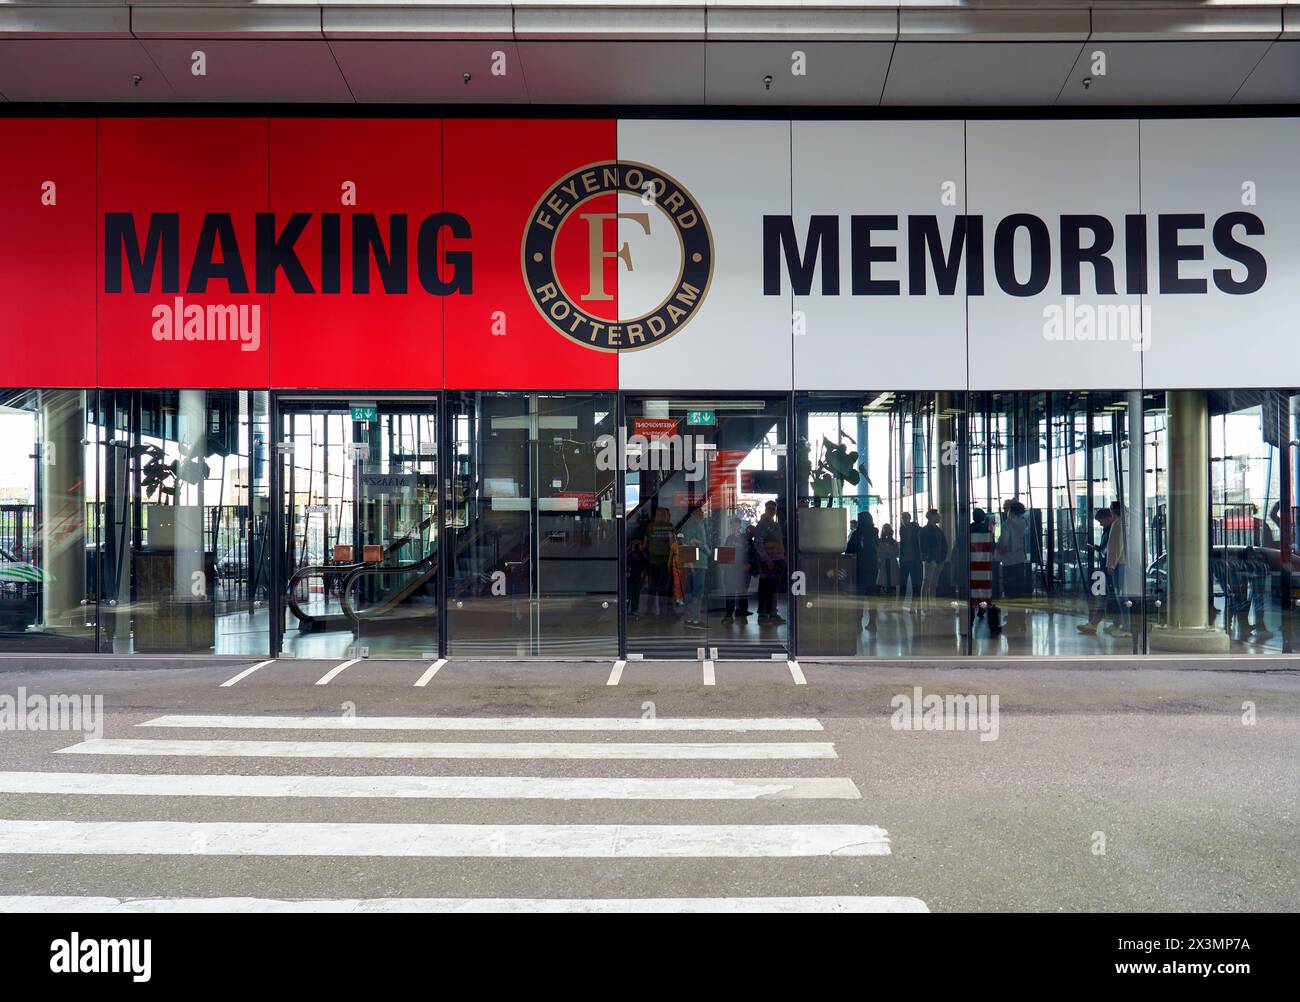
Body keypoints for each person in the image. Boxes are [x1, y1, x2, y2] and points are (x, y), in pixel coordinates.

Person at [996, 500, 1030, 633]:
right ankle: (1021, 622)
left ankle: (1011, 621)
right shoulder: (1023, 524)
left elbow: (1003, 542)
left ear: (1010, 511)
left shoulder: (1007, 524)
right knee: (1019, 593)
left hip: (1009, 562)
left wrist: (998, 548)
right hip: (1020, 560)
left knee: (1010, 593)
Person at [1077, 507, 1113, 635]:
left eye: (1101, 521)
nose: (1100, 523)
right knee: (1108, 597)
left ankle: (1094, 624)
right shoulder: (1108, 530)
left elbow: (1109, 550)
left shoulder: (1112, 531)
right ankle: (1101, 623)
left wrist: (1099, 549)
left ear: (1109, 517)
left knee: (1107, 597)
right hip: (1108, 567)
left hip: (1110, 568)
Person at [846, 511, 880, 632]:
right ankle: (872, 623)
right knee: (872, 597)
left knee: (859, 598)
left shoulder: (856, 534)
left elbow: (849, 550)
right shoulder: (874, 532)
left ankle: (858, 624)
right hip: (872, 568)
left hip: (859, 568)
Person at [755, 500, 786, 624]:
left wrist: (783, 556)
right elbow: (758, 544)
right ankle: (762, 614)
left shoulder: (776, 525)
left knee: (774, 589)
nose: (772, 510)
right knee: (765, 588)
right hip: (767, 563)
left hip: (778, 561)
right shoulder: (761, 525)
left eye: (774, 508)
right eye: (769, 508)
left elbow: (780, 543)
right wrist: (767, 559)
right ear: (765, 509)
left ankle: (772, 613)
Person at [679, 507, 711, 629]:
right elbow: (691, 544)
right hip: (697, 563)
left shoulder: (694, 524)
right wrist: (709, 552)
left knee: (690, 591)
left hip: (695, 563)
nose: (702, 513)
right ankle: (695, 620)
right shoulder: (693, 525)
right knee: (696, 591)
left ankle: (690, 618)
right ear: (693, 513)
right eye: (700, 511)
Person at [721, 516, 753, 623]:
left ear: (740, 525)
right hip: (731, 570)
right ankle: (729, 613)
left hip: (742, 571)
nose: (734, 526)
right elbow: (725, 553)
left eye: (736, 524)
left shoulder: (745, 538)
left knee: (742, 590)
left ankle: (742, 611)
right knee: (730, 591)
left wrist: (749, 564)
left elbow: (750, 552)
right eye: (732, 524)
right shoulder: (729, 538)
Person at [645, 507, 676, 616]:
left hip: (652, 561)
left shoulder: (650, 527)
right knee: (664, 588)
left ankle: (650, 611)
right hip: (665, 562)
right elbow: (672, 544)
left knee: (652, 588)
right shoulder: (669, 527)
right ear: (665, 515)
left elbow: (645, 544)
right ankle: (664, 612)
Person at [1106, 500, 1130, 637]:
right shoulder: (1122, 523)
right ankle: (1124, 623)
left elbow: (1116, 546)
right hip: (1120, 563)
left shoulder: (1118, 524)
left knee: (1121, 595)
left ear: (1113, 511)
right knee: (1121, 595)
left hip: (1118, 564)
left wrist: (1111, 564)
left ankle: (1125, 625)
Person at [918, 508, 948, 614]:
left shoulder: (938, 530)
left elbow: (944, 545)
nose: (939, 517)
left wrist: (942, 559)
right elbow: (923, 547)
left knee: (933, 584)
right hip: (929, 561)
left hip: (939, 560)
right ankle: (924, 607)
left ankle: (932, 605)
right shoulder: (924, 530)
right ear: (932, 517)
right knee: (926, 583)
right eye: (937, 515)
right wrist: (929, 559)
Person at [898, 511, 923, 610]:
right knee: (904, 583)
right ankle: (903, 605)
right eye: (902, 519)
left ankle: (913, 605)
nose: (904, 520)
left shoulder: (915, 529)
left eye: (905, 518)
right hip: (906, 560)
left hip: (913, 560)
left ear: (909, 518)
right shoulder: (902, 530)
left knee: (915, 584)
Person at [877, 523, 900, 603]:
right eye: (885, 529)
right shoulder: (879, 541)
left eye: (888, 529)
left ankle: (892, 596)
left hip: (892, 563)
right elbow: (878, 553)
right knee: (883, 580)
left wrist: (889, 551)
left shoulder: (894, 542)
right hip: (883, 562)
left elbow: (897, 553)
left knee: (892, 581)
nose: (886, 531)